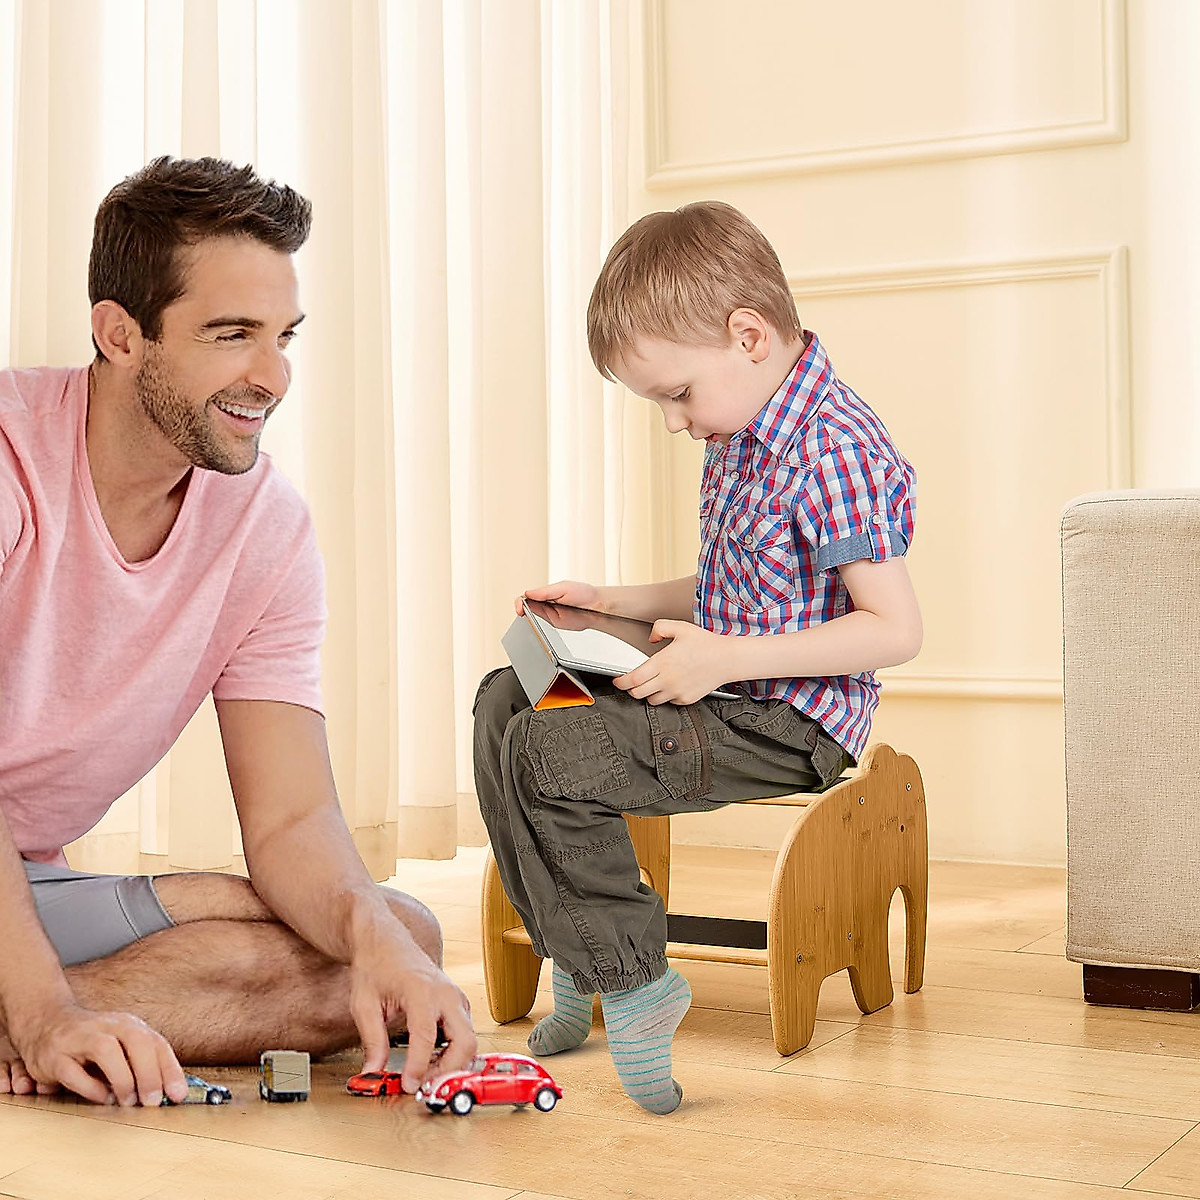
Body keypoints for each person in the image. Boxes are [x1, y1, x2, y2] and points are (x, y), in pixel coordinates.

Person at [0, 156, 475, 1107]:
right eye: (232, 335)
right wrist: (45, 1011)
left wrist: (373, 943)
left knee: (397, 938)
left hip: (24, 885)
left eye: (283, 336)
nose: (272, 376)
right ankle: (31, 1020)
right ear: (119, 333)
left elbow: (293, 818)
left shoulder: (265, 528)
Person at [473, 201, 921, 1114]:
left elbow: (892, 630)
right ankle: (577, 955)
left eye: (676, 394)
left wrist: (721, 662)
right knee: (504, 701)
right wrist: (617, 603)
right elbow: (737, 585)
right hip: (721, 690)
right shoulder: (741, 426)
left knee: (552, 754)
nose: (676, 423)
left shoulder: (835, 448)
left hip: (786, 721)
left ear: (747, 337)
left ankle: (636, 984)